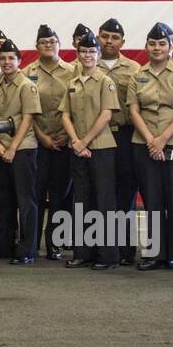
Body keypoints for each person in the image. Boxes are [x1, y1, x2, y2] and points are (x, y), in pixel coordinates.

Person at [128, 23, 173, 272]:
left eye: (162, 44)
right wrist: (151, 139)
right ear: (146, 46)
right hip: (144, 144)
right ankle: (155, 254)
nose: (157, 48)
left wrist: (162, 139)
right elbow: (134, 110)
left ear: (171, 46)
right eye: (152, 44)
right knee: (152, 201)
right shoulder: (138, 74)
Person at [60, 31, 121, 269]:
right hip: (77, 148)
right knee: (81, 201)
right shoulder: (72, 83)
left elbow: (107, 114)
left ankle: (108, 256)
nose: (87, 55)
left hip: (101, 147)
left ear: (98, 54)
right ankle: (83, 252)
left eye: (92, 52)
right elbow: (65, 114)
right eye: (83, 51)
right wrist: (76, 141)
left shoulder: (106, 81)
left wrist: (84, 142)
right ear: (78, 54)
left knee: (104, 201)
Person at [0, 39, 42, 264]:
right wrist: (0, 146)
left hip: (22, 149)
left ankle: (27, 250)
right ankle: (3, 246)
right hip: (0, 148)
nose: (6, 62)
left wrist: (12, 148)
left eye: (11, 58)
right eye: (2, 58)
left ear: (20, 61)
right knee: (3, 200)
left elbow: (28, 118)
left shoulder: (26, 85)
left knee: (25, 201)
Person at [25, 25, 74, 261]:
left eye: (52, 41)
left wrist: (66, 135)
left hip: (64, 142)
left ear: (59, 44)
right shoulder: (27, 72)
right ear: (36, 46)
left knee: (59, 196)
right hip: (37, 142)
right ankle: (31, 244)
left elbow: (76, 108)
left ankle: (55, 244)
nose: (48, 45)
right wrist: (42, 137)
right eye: (43, 41)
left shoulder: (73, 71)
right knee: (35, 194)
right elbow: (25, 111)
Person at [96, 18, 142, 265]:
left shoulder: (134, 69)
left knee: (125, 194)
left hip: (124, 135)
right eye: (104, 36)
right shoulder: (87, 65)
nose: (109, 41)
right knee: (102, 194)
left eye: (114, 37)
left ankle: (125, 249)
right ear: (98, 37)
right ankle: (102, 247)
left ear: (122, 41)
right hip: (98, 136)